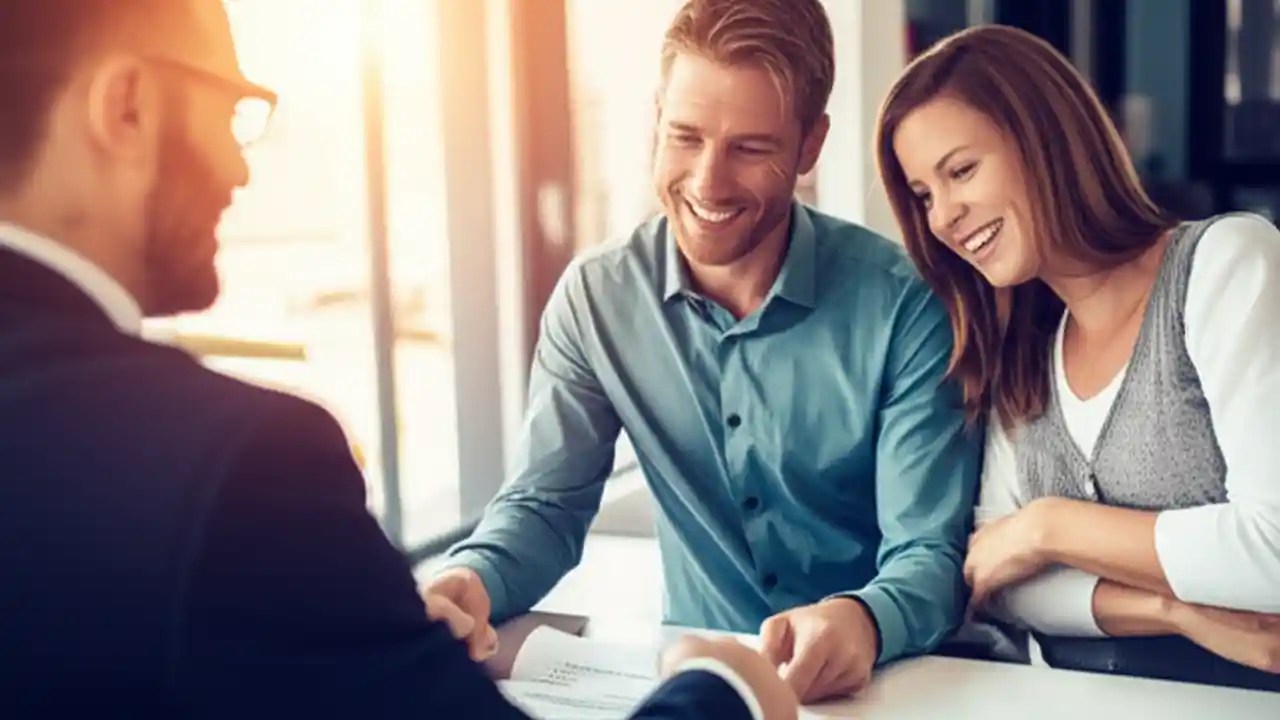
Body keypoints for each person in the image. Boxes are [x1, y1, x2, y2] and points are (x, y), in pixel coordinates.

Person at [0, 1, 801, 716]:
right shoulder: (244, 466)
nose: (241, 167)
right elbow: (547, 502)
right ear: (128, 106)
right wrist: (725, 692)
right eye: (234, 112)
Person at [426, 0, 981, 703]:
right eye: (685, 137)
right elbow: (544, 507)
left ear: (810, 145)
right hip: (699, 693)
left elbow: (930, 554)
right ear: (656, 117)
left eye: (750, 148)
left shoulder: (906, 305)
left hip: (884, 688)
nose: (707, 182)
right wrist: (471, 578)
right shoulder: (597, 298)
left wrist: (865, 619)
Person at [876, 24, 1280, 691]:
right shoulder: (1021, 347)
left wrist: (1047, 528)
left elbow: (1272, 549)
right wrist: (1175, 612)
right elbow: (995, 582)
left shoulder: (1225, 265)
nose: (942, 217)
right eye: (923, 196)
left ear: (1045, 142)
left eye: (961, 171)